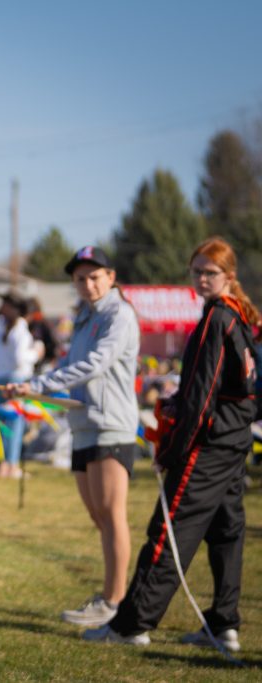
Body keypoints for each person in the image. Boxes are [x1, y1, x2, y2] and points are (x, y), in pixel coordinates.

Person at [84, 237, 258, 650]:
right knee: (225, 530)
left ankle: (130, 626)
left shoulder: (219, 319)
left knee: (168, 531)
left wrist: (174, 450)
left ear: (228, 277)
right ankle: (223, 622)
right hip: (233, 439)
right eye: (195, 271)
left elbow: (203, 396)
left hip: (210, 442)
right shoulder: (238, 318)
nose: (200, 279)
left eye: (209, 272)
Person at [3, 246, 140, 628]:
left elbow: (95, 364)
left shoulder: (120, 314)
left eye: (95, 276)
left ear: (111, 277)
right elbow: (68, 365)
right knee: (99, 516)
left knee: (112, 516)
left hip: (111, 423)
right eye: (80, 278)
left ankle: (115, 602)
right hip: (81, 425)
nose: (88, 284)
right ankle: (114, 595)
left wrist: (39, 382)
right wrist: (31, 388)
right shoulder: (83, 316)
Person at [0, 292, 40, 478]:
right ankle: (11, 465)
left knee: (3, 425)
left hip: (0, 377)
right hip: (17, 379)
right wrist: (36, 353)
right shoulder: (18, 328)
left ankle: (4, 464)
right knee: (15, 425)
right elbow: (20, 358)